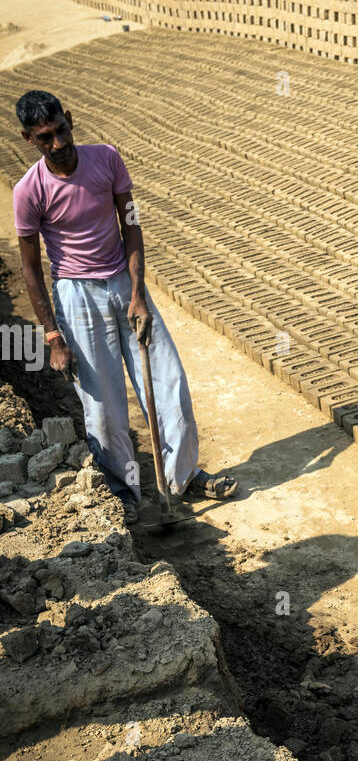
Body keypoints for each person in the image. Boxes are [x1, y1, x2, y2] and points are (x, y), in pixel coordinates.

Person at [12, 89, 237, 525]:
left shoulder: (107, 160)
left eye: (61, 130)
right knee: (104, 406)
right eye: (45, 138)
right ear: (28, 139)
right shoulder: (29, 192)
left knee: (169, 383)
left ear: (70, 119)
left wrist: (138, 293)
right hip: (76, 296)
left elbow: (130, 226)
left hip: (123, 283)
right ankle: (124, 493)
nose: (58, 143)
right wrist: (53, 336)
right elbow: (30, 271)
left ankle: (183, 477)